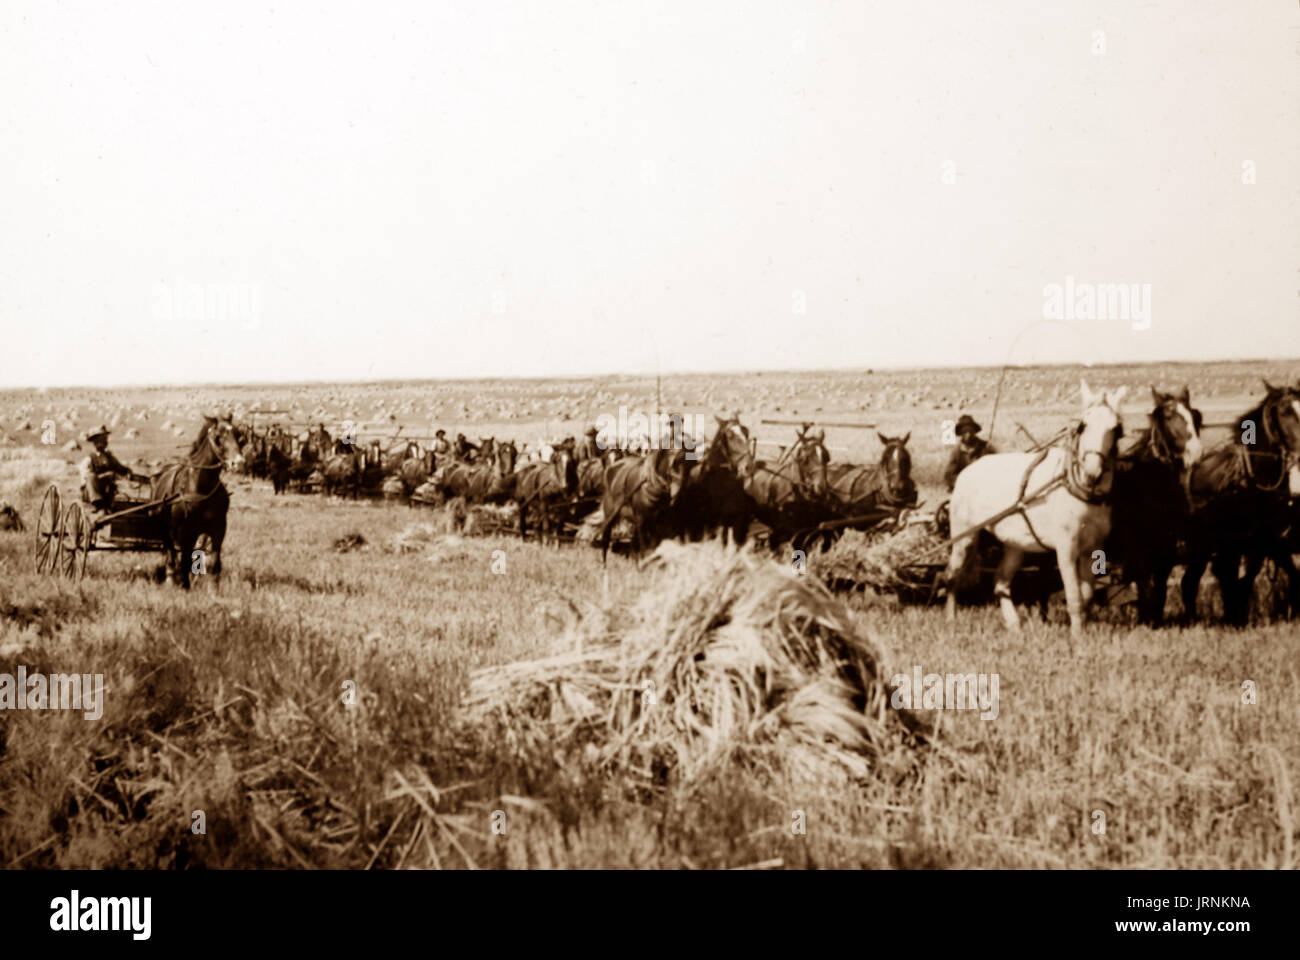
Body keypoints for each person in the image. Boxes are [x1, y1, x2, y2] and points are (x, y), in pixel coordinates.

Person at [80, 425, 148, 511]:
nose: (105, 441)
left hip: (109, 489)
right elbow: (85, 479)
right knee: (91, 477)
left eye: (105, 439)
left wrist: (127, 471)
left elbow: (119, 468)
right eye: (102, 439)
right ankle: (97, 503)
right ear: (95, 442)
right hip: (92, 492)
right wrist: (105, 476)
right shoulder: (88, 459)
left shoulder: (109, 456)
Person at [943, 414, 993, 491]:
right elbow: (949, 475)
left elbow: (995, 468)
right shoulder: (957, 451)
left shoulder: (985, 447)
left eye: (971, 431)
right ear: (961, 434)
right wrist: (963, 483)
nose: (968, 435)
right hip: (964, 488)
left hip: (984, 486)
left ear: (974, 432)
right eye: (965, 432)